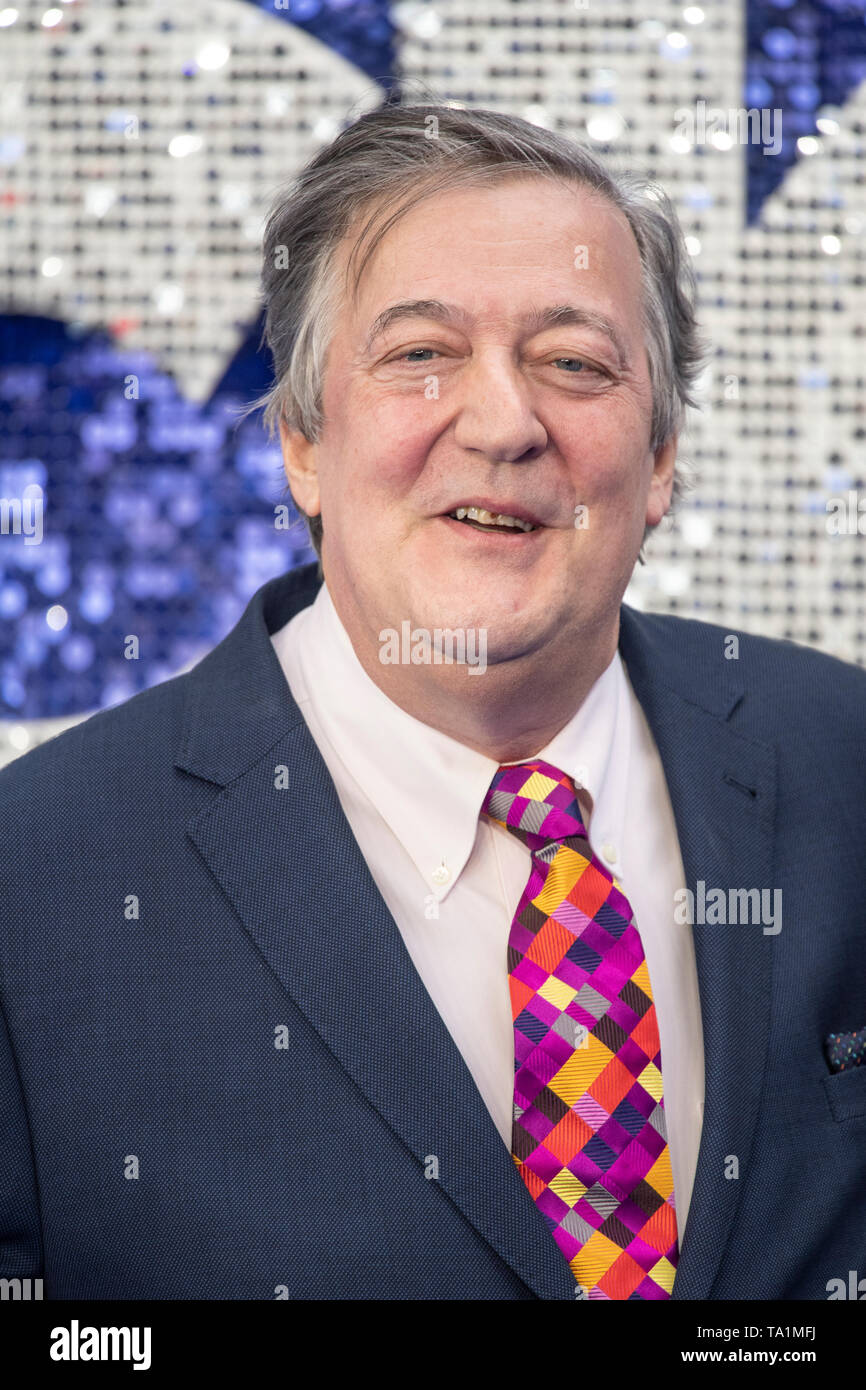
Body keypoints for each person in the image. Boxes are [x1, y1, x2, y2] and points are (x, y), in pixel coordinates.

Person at [2, 104, 865, 1302]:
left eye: (574, 361)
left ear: (660, 457)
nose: (505, 424)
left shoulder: (843, 758)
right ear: (303, 438)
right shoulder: (32, 875)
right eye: (419, 354)